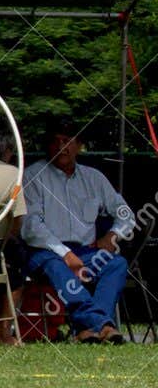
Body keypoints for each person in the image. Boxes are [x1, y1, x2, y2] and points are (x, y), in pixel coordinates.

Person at [21, 122, 135, 344]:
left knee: (116, 263)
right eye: (55, 141)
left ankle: (88, 329)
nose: (61, 146)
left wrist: (112, 235)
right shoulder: (33, 176)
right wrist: (65, 254)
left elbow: (126, 214)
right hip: (46, 251)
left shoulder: (94, 178)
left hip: (86, 251)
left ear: (79, 145)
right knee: (54, 265)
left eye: (67, 141)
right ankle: (101, 324)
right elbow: (31, 226)